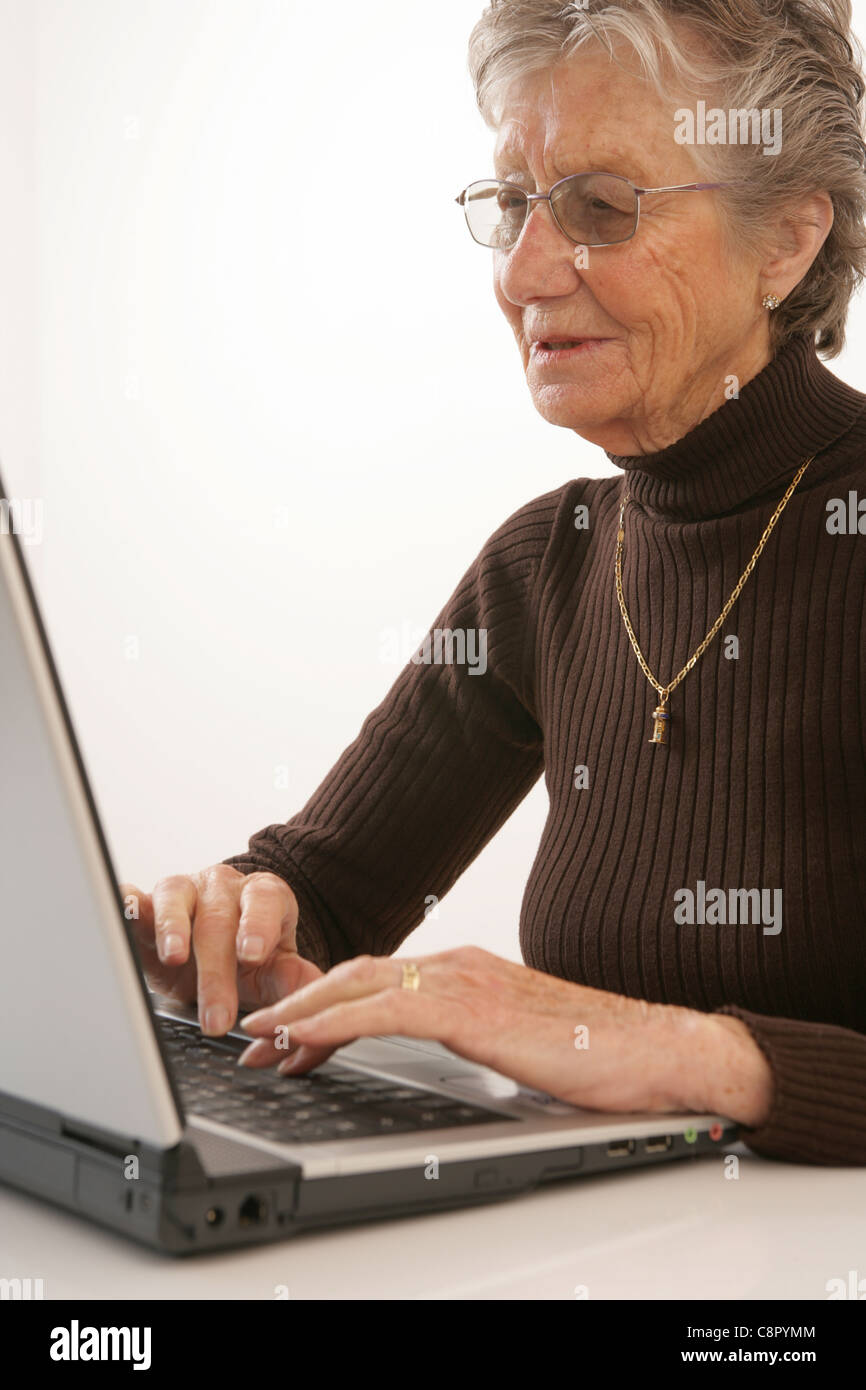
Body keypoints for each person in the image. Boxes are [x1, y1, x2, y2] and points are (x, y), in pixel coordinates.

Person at [126, 0, 866, 1164]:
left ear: (785, 242)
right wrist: (223, 927)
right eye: (515, 204)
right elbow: (322, 888)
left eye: (598, 208)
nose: (523, 272)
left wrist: (685, 1052)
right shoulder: (549, 562)